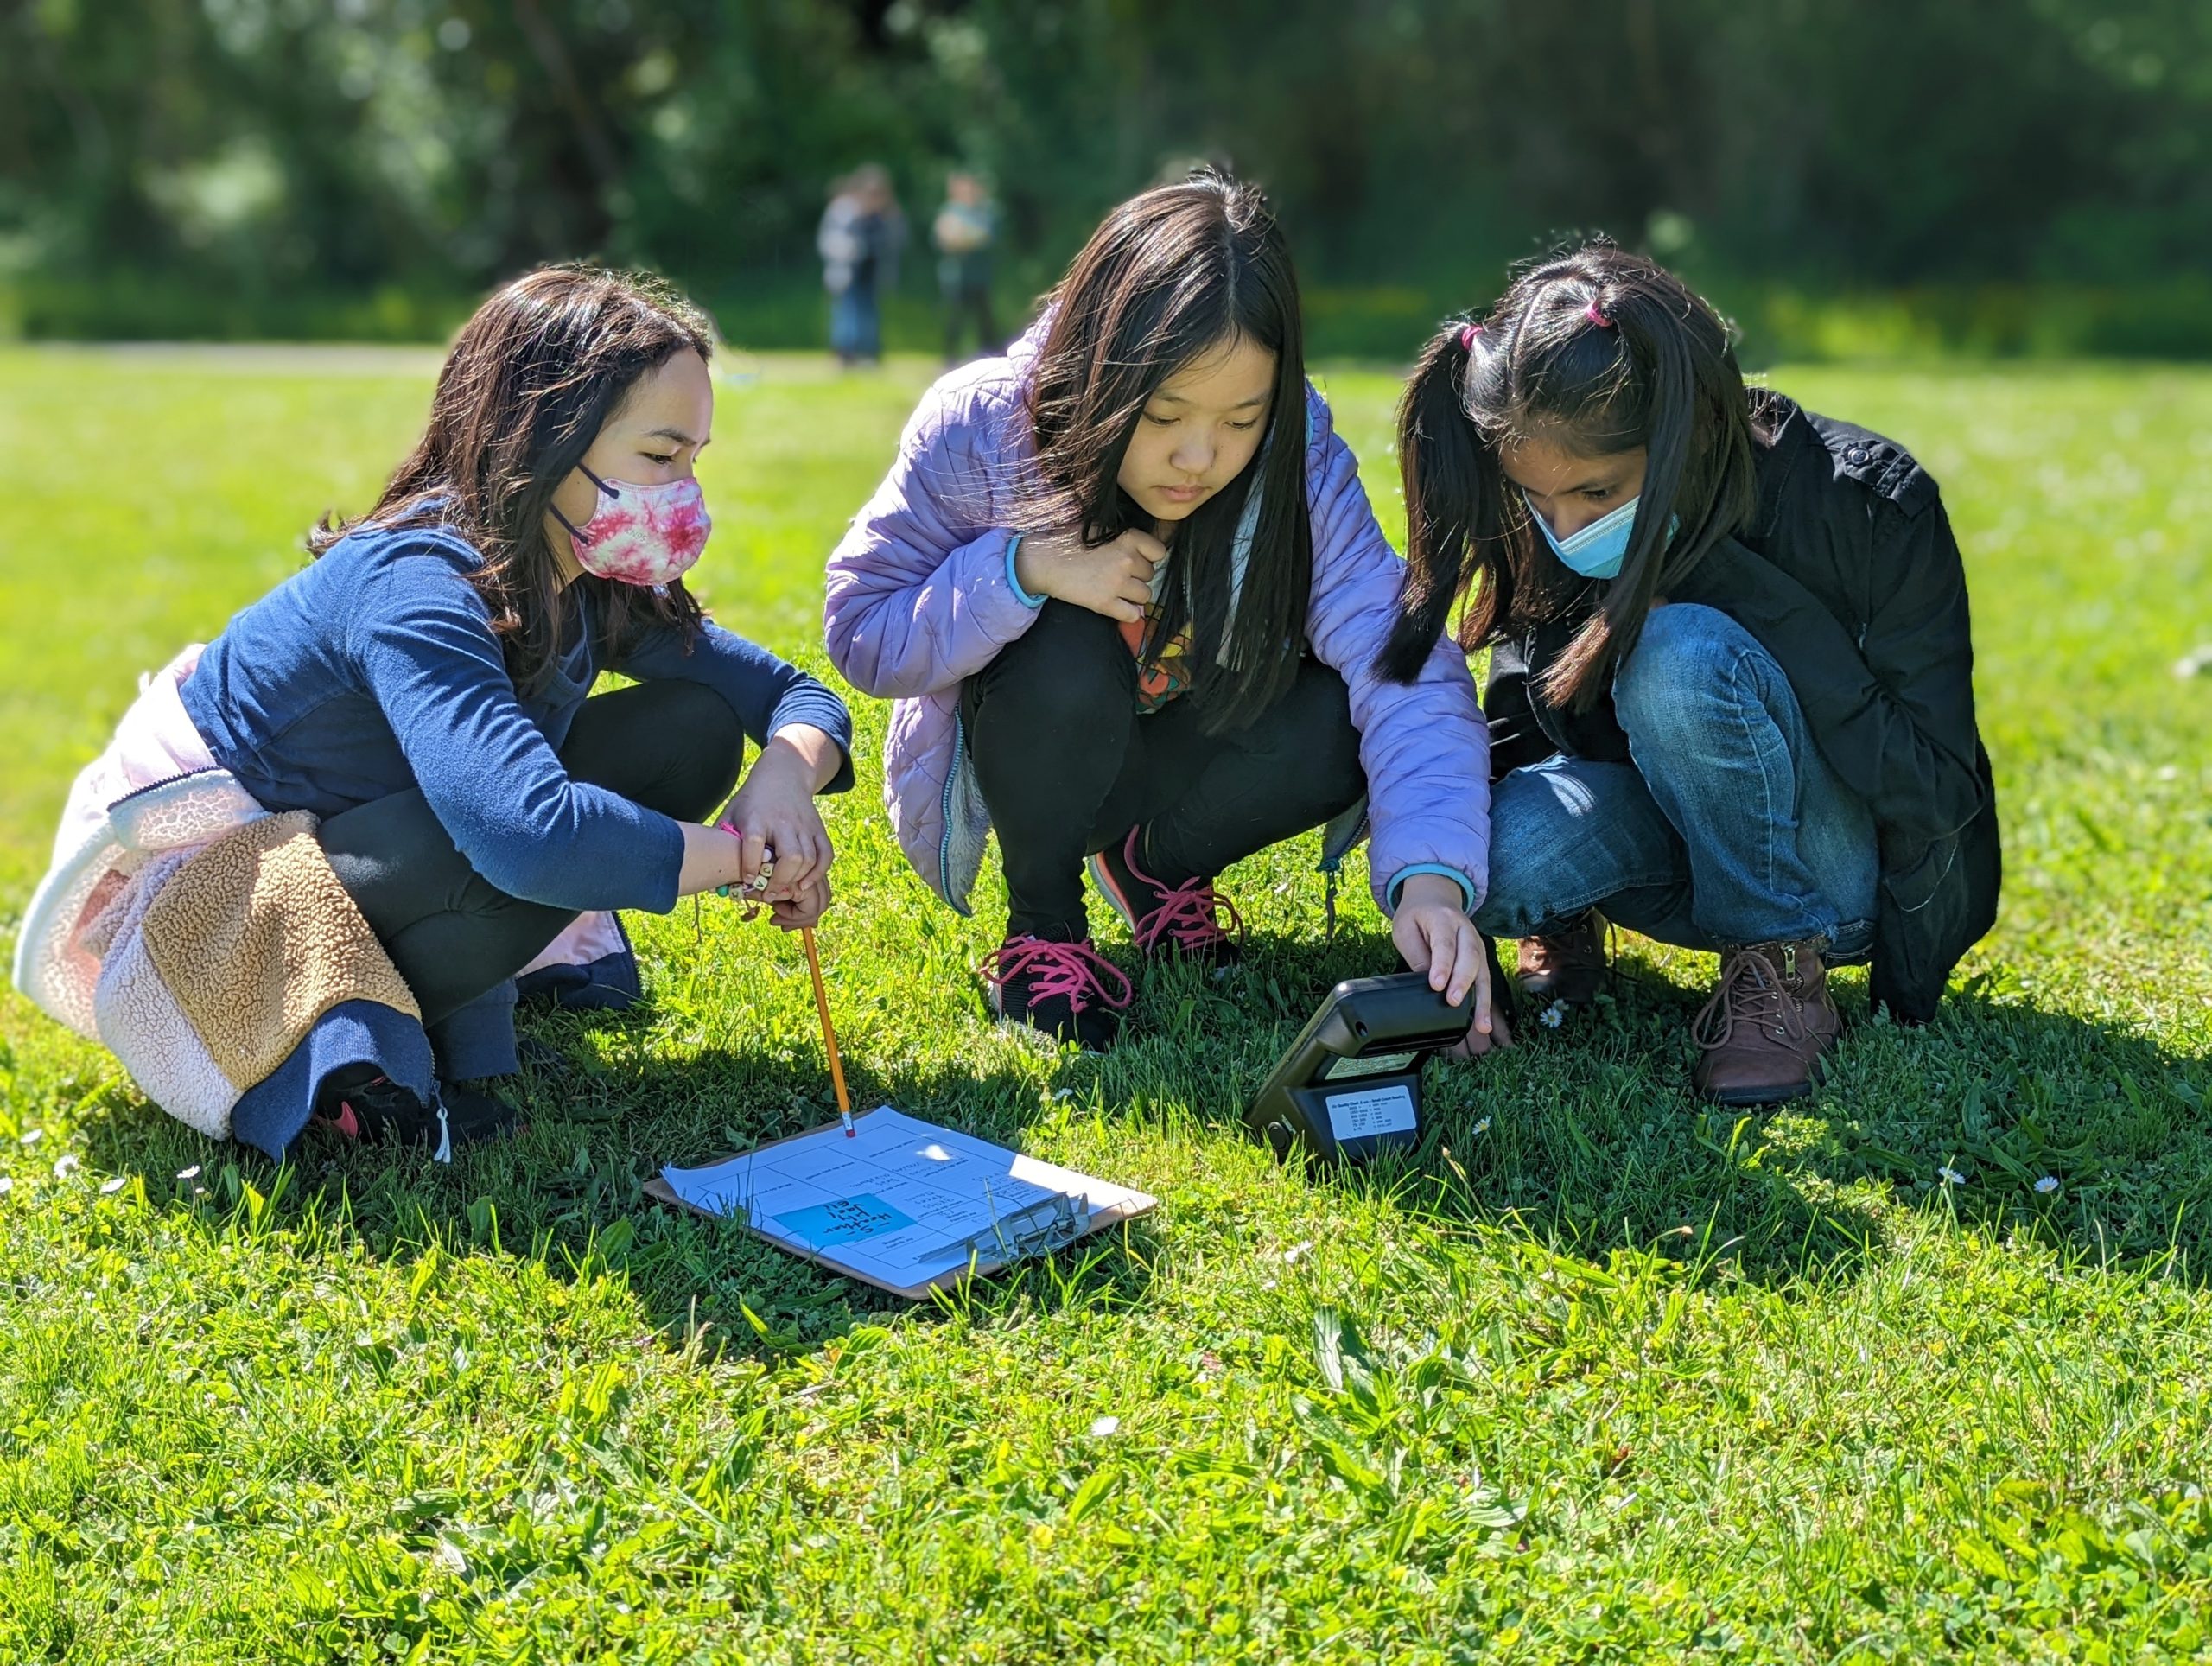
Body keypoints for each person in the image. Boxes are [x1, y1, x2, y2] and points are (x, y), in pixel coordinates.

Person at [170, 264, 853, 1141]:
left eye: (691, 458)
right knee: (517, 830)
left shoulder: (583, 565)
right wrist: (747, 860)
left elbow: (791, 693)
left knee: (692, 728)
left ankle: (445, 1008)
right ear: (544, 439)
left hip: (378, 860)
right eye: (657, 455)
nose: (683, 492)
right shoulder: (420, 584)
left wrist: (786, 778)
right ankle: (355, 1052)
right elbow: (527, 835)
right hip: (249, 926)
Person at [826, 171, 1495, 1052]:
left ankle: (1156, 869)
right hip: (1042, 746)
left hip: (1179, 751)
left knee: (1346, 707)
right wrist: (1020, 569)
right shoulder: (983, 423)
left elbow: (1394, 650)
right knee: (1060, 637)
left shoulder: (1296, 452)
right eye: (1164, 412)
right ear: (1099, 369)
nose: (1196, 457)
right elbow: (863, 629)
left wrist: (1432, 881)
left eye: (1240, 418)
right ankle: (1043, 931)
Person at [1381, 240, 1998, 1104]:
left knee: (1680, 653)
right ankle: (1569, 919)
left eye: (1596, 495)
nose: (1562, 524)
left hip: (1831, 877)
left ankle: (1777, 963)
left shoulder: (1872, 504)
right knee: (1488, 862)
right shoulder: (1553, 490)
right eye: (1536, 497)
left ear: (1688, 434)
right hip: (1666, 836)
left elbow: (1935, 791)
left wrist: (1712, 581)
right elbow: (1520, 693)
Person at [818, 164, 905, 366]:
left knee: (869, 313)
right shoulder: (843, 210)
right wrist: (856, 248)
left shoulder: (887, 214)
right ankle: (845, 353)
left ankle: (869, 352)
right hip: (848, 272)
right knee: (847, 312)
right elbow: (829, 241)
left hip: (872, 272)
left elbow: (895, 241)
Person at [932, 170, 1000, 364]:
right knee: (955, 319)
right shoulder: (949, 211)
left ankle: (991, 357)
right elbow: (943, 238)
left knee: (985, 319)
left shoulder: (984, 211)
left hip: (979, 275)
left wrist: (962, 237)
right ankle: (950, 357)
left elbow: (985, 237)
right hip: (956, 276)